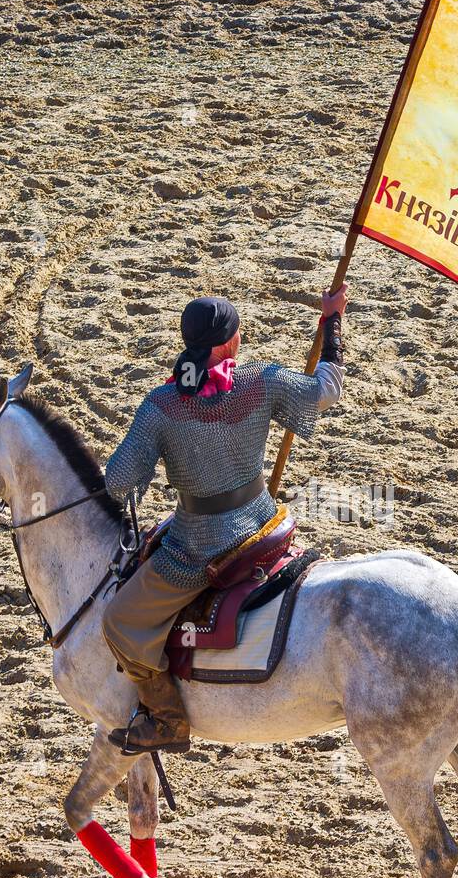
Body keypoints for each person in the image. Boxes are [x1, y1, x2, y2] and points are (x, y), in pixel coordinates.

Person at [101, 286, 347, 753]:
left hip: (199, 546)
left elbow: (118, 482)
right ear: (230, 343)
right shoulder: (262, 381)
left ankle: (168, 720)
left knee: (118, 620)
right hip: (261, 521)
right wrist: (331, 323)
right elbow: (327, 388)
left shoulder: (162, 404)